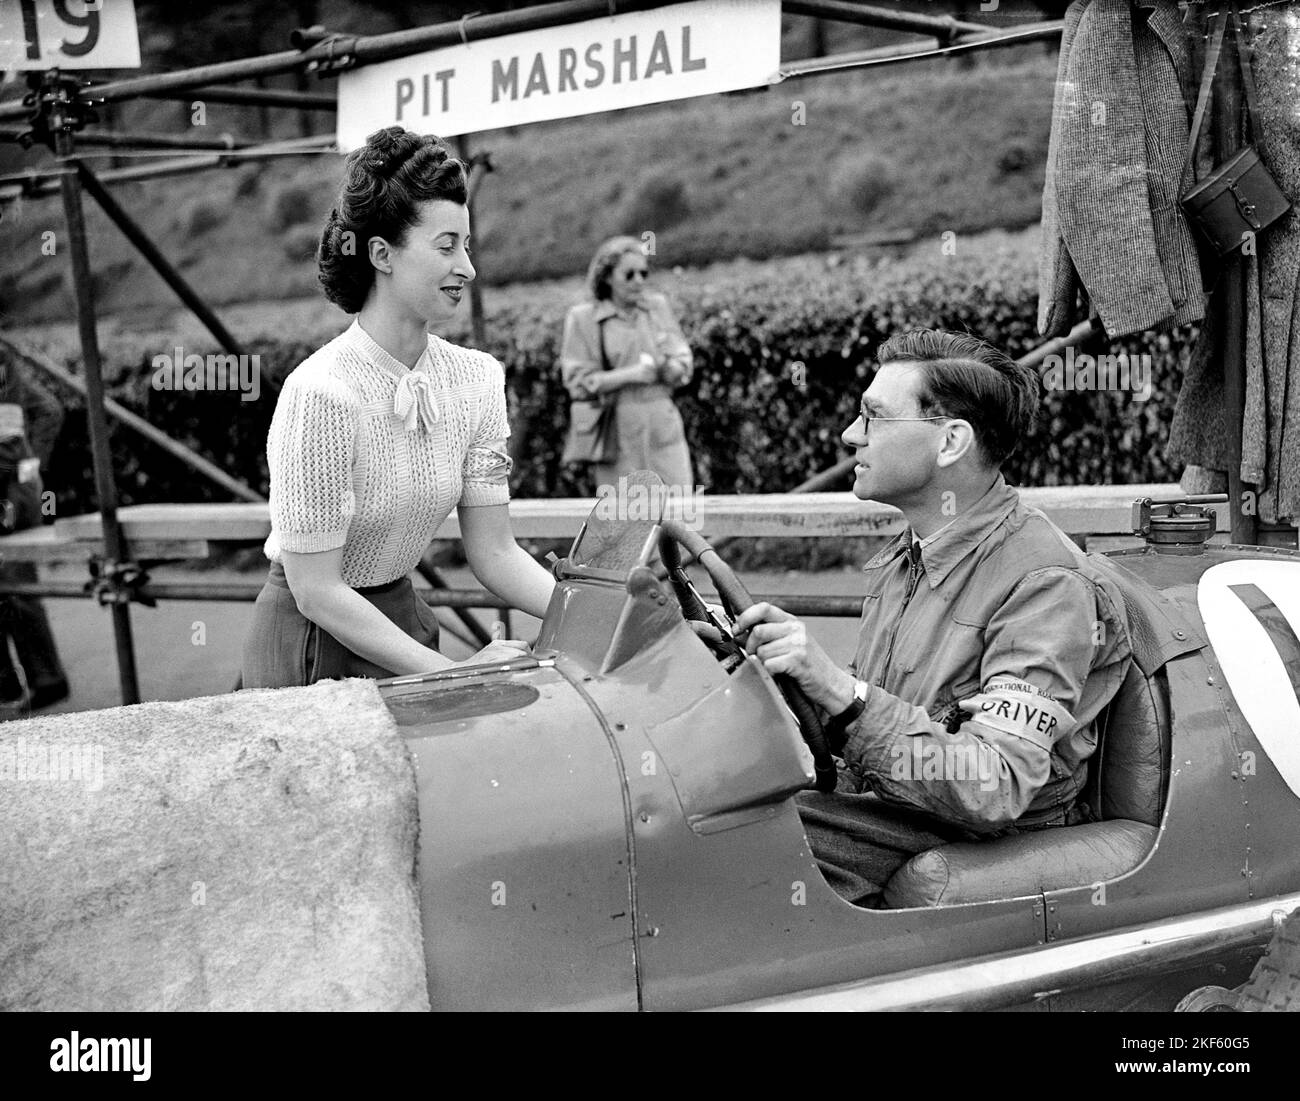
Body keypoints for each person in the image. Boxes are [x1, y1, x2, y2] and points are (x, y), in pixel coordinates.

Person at [734, 329, 1134, 908]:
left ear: (950, 442)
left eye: (874, 418)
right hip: (892, 805)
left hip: (970, 832)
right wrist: (778, 675)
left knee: (715, 851)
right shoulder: (914, 551)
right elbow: (864, 727)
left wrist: (844, 695)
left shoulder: (1046, 587)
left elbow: (993, 785)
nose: (851, 435)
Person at [242, 127, 554, 689]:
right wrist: (457, 674)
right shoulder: (320, 393)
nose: (468, 267)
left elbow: (495, 551)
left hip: (401, 623)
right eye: (446, 246)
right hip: (314, 641)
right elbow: (316, 591)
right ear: (382, 254)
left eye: (468, 245)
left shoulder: (478, 379)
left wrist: (596, 615)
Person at [559, 236, 694, 490]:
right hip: (617, 429)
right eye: (629, 275)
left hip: (663, 423)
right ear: (608, 277)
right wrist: (631, 375)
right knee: (626, 517)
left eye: (644, 273)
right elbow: (578, 382)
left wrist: (667, 367)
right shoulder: (584, 318)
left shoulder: (656, 307)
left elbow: (683, 361)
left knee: (679, 511)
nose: (639, 281)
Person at [0, 346, 69, 711]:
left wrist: (30, 466)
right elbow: (48, 409)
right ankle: (17, 683)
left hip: (12, 489)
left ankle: (43, 680)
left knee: (15, 585)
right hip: (17, 483)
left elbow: (9, 442)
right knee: (12, 586)